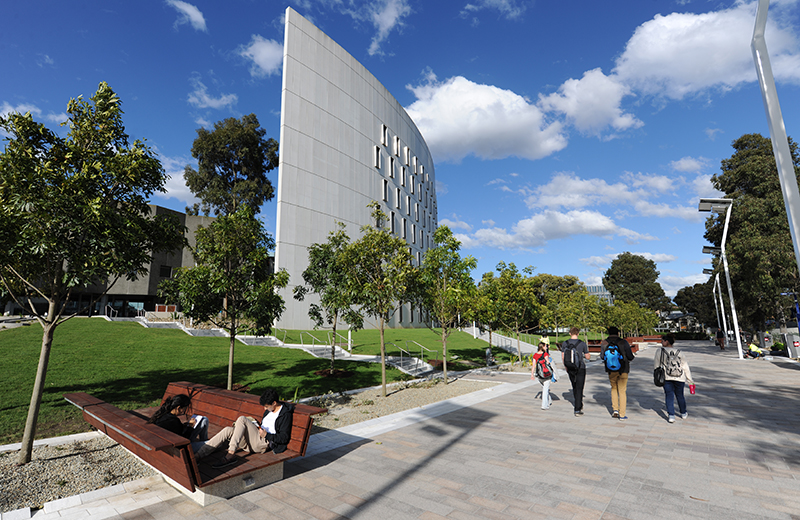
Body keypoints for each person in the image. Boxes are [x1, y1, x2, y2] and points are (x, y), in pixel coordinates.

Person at [195, 388, 294, 468]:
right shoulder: (269, 411)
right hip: (254, 438)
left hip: (263, 443)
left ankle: (231, 453)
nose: (265, 409)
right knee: (227, 430)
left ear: (274, 403)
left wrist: (266, 435)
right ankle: (198, 455)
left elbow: (284, 437)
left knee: (242, 419)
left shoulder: (285, 415)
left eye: (266, 406)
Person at [654, 334, 694, 423]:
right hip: (680, 377)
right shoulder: (679, 352)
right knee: (680, 395)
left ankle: (671, 415)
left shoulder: (659, 351)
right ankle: (683, 413)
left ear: (667, 341)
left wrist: (657, 376)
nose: (661, 343)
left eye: (662, 341)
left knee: (669, 395)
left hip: (667, 377)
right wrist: (690, 380)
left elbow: (656, 365)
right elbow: (685, 367)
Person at [600, 326, 635, 420]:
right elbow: (630, 356)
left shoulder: (604, 343)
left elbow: (602, 356)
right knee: (622, 391)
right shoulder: (623, 342)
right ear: (618, 333)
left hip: (610, 369)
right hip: (623, 369)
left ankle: (615, 410)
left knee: (614, 388)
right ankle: (622, 414)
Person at [561, 326, 591, 417]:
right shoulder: (582, 343)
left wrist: (566, 366)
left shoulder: (565, 343)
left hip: (570, 367)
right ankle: (577, 408)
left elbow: (563, 356)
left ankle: (578, 402)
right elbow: (588, 357)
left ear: (570, 333)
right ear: (578, 334)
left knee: (574, 385)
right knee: (580, 387)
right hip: (580, 367)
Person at [531, 337, 556, 410]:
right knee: (545, 390)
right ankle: (544, 405)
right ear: (542, 347)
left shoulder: (535, 355)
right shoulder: (545, 354)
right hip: (546, 374)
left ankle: (549, 401)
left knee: (545, 388)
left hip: (539, 375)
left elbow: (533, 366)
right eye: (545, 346)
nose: (546, 347)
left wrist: (532, 375)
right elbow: (548, 362)